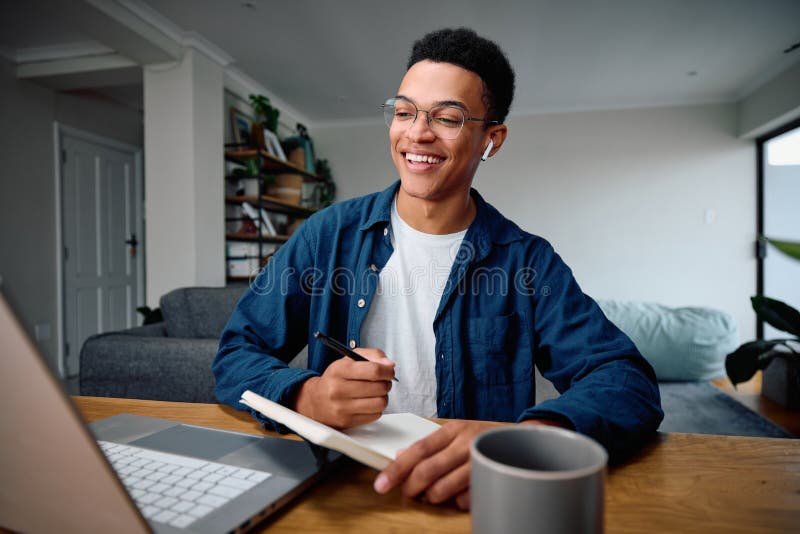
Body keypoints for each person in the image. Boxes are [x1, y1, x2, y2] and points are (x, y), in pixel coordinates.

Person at [214, 27, 663, 510]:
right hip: (339, 494)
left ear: (492, 139)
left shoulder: (527, 261)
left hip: (470, 498)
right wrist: (306, 394)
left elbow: (625, 379)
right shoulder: (326, 236)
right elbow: (236, 353)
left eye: (447, 117)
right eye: (404, 112)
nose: (417, 133)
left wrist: (526, 441)